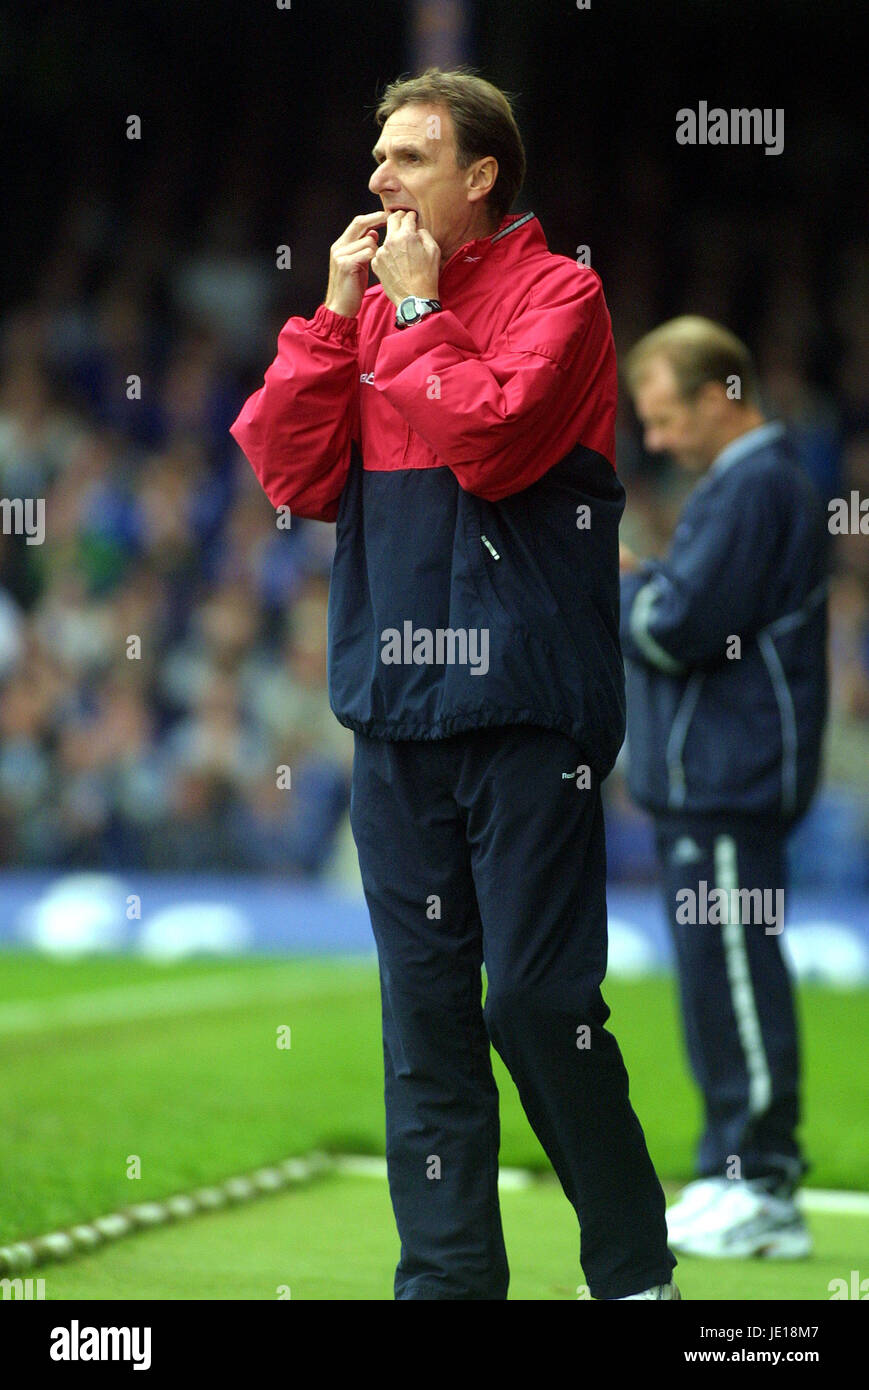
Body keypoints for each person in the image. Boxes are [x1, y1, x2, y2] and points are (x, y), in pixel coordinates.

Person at [231, 67, 677, 1301]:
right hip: (395, 711)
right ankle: (446, 1285)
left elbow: (490, 442)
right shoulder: (365, 313)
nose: (378, 181)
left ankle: (632, 1269)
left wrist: (420, 317)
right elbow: (288, 473)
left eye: (409, 159)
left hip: (530, 709)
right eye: (377, 158)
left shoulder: (562, 294)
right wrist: (330, 319)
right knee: (423, 1022)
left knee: (536, 1005)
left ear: (480, 178)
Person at [619, 316, 828, 1258]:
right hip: (711, 783)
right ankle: (728, 1172)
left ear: (719, 398)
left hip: (730, 781)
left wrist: (624, 585)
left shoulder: (754, 487)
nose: (655, 441)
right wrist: (650, 587)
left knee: (735, 975)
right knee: (716, 975)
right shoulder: (747, 487)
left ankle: (763, 1185)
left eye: (665, 419)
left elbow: (677, 626)